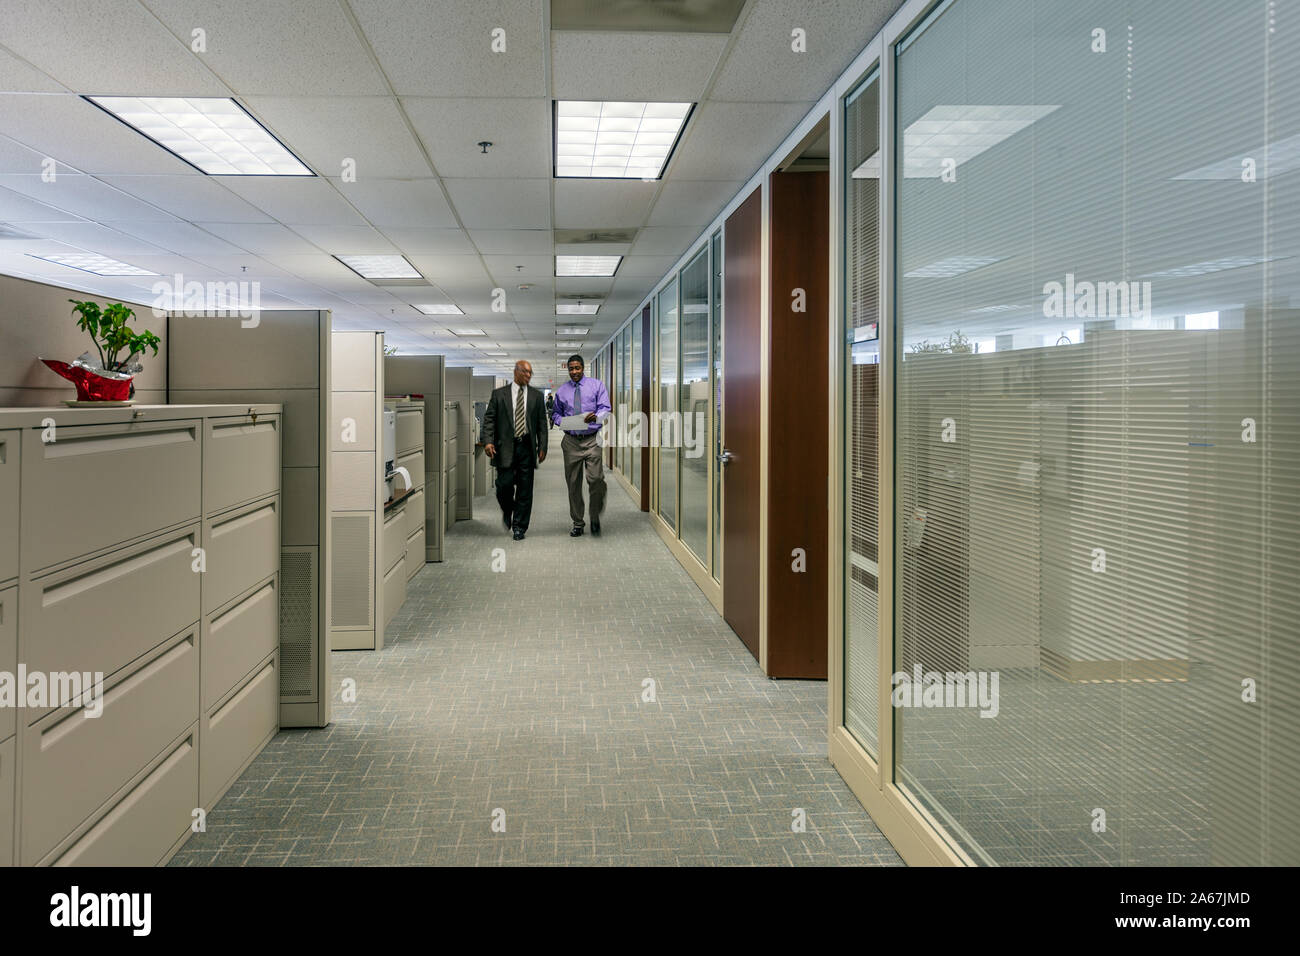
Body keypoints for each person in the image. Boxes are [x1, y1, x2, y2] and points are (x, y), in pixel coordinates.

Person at [483, 359, 547, 540]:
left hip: (526, 446)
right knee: (503, 486)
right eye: (525, 372)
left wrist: (542, 446)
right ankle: (507, 509)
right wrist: (488, 441)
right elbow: (489, 420)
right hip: (505, 447)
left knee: (525, 489)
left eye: (530, 373)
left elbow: (542, 423)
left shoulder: (536, 396)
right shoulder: (499, 394)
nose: (528, 375)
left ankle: (520, 526)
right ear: (515, 372)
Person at [551, 353, 610, 537]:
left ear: (583, 368)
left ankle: (594, 516)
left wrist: (597, 416)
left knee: (596, 480)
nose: (574, 371)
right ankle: (578, 522)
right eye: (571, 369)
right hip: (571, 442)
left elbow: (605, 408)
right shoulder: (562, 391)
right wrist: (565, 422)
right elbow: (555, 414)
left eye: (577, 368)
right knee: (573, 484)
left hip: (592, 439)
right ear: (567, 370)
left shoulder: (596, 385)